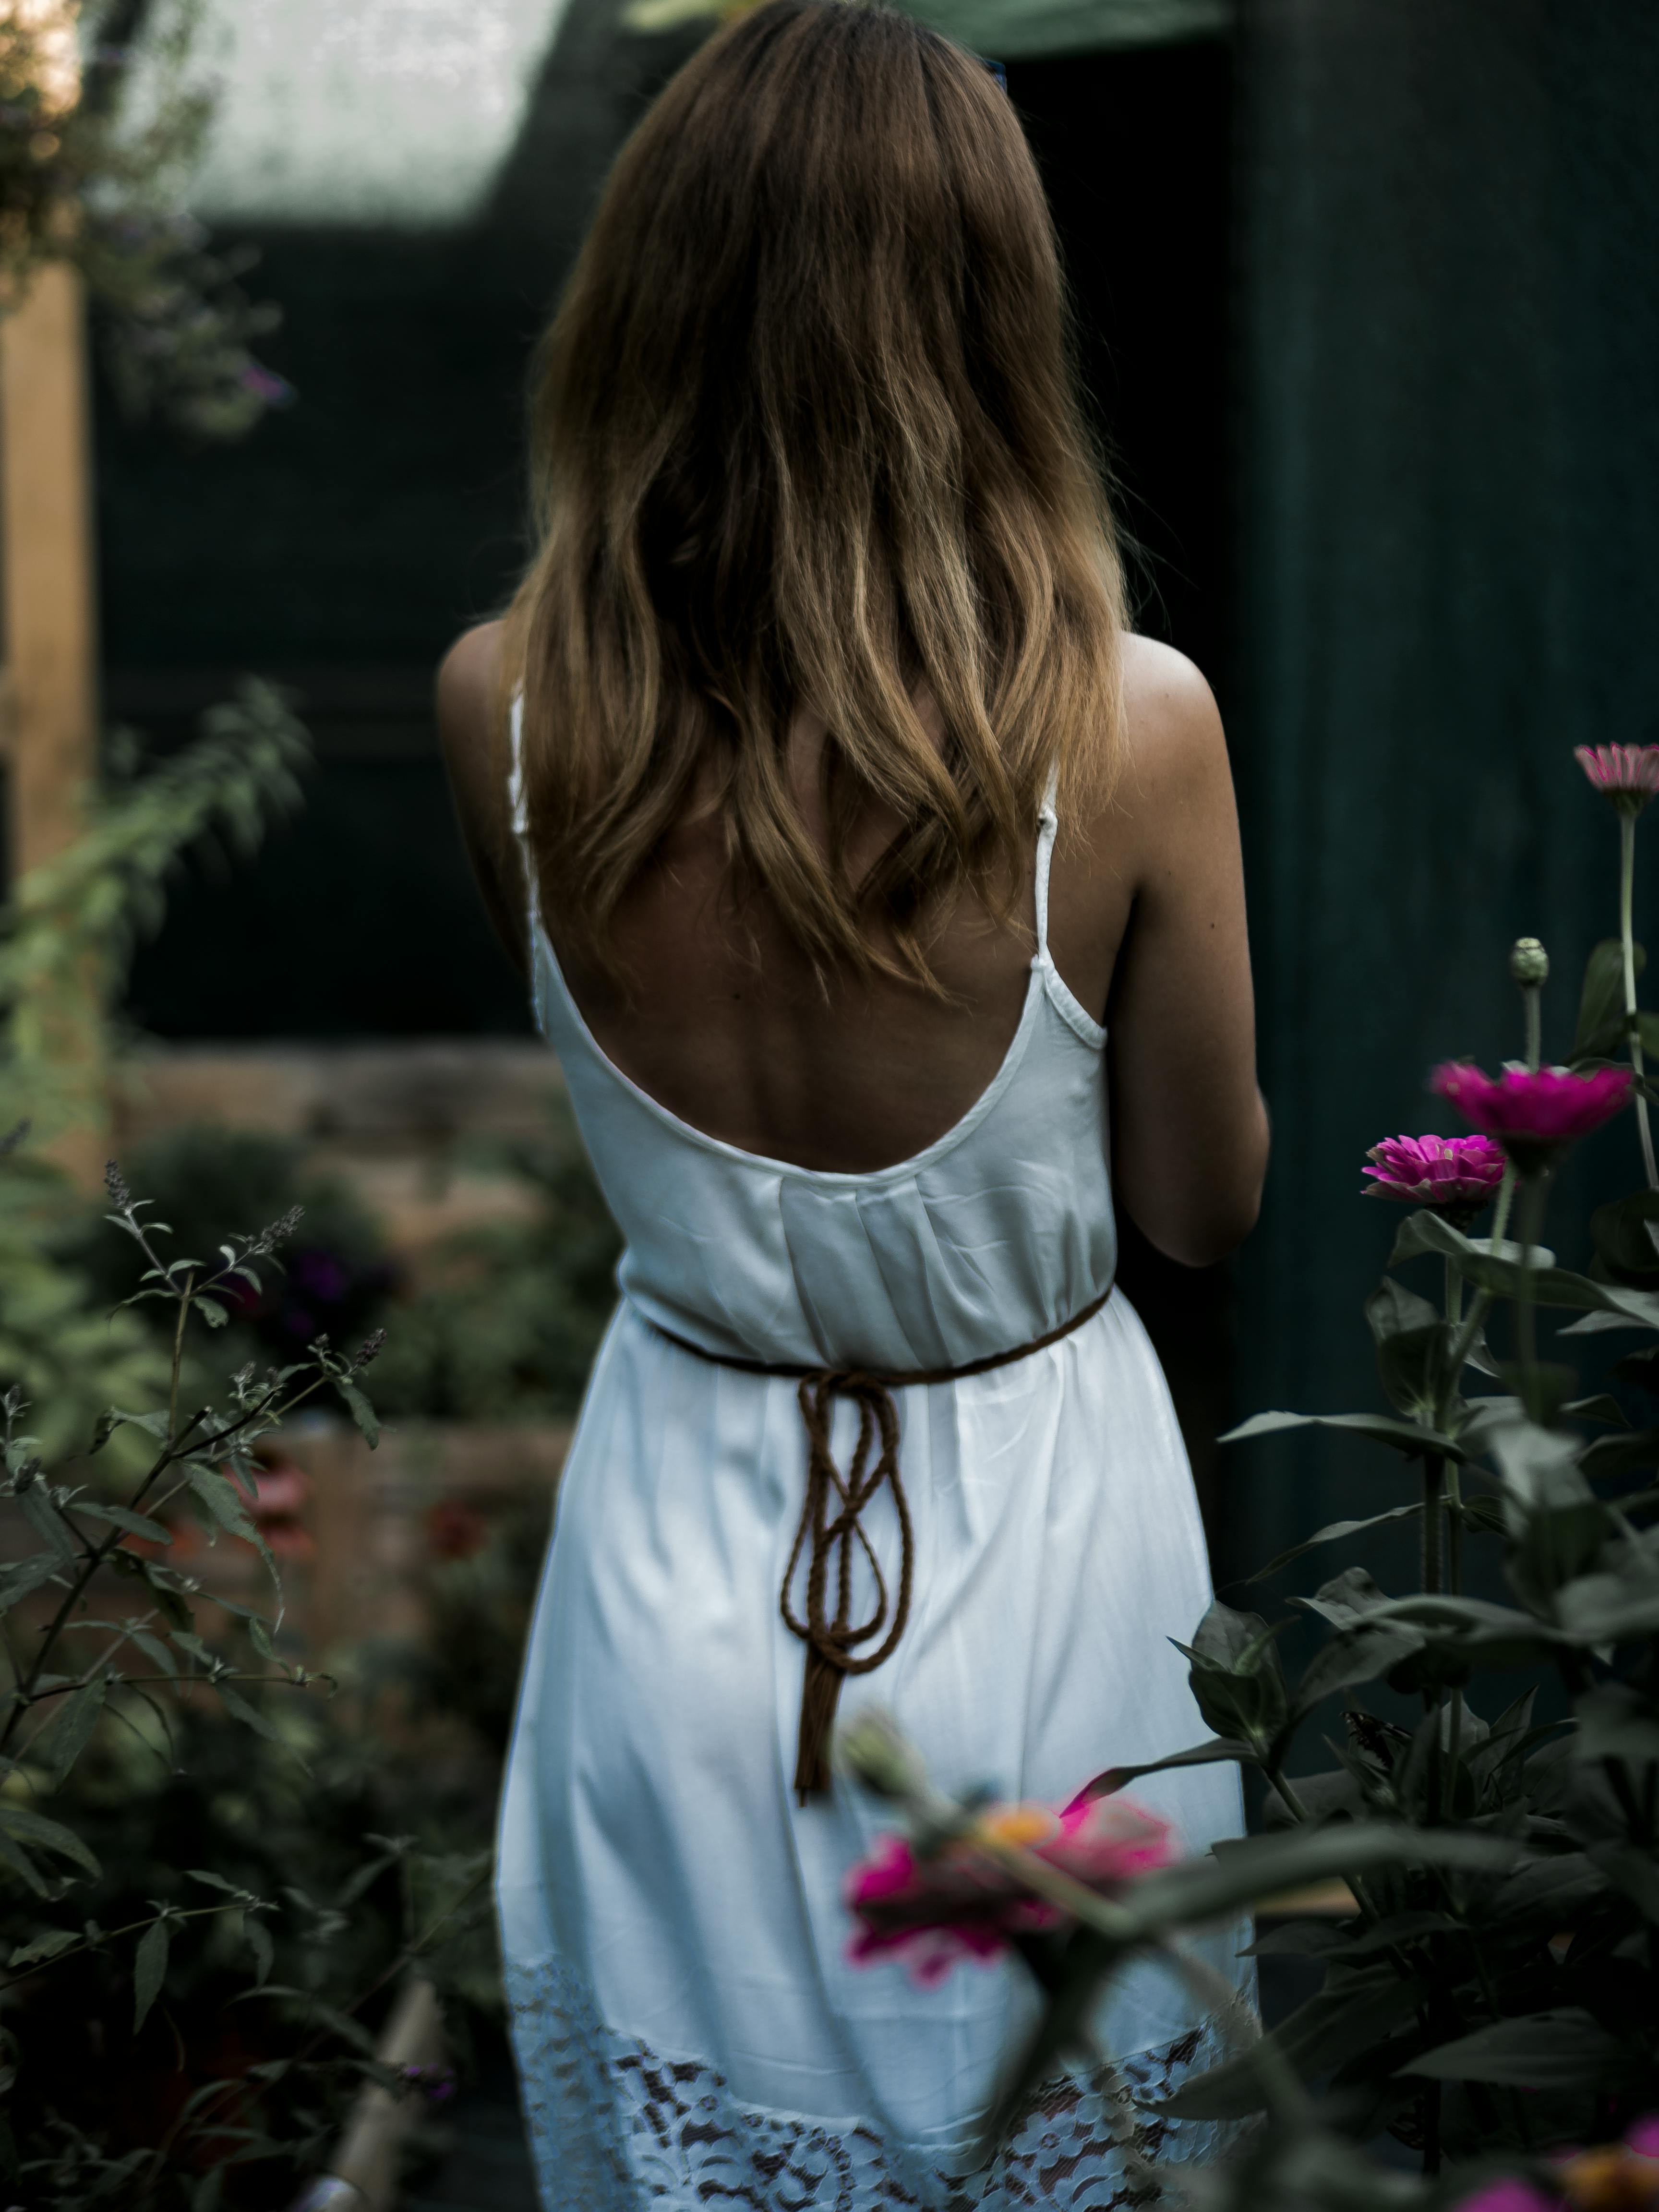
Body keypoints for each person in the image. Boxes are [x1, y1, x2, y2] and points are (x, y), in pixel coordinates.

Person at [437, 4, 1269, 2203]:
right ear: (989, 316)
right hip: (1044, 1568)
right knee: (1078, 2131)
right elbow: (1205, 1207)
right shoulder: (1131, 724)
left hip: (678, 1535)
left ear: (648, 296)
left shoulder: (503, 707)